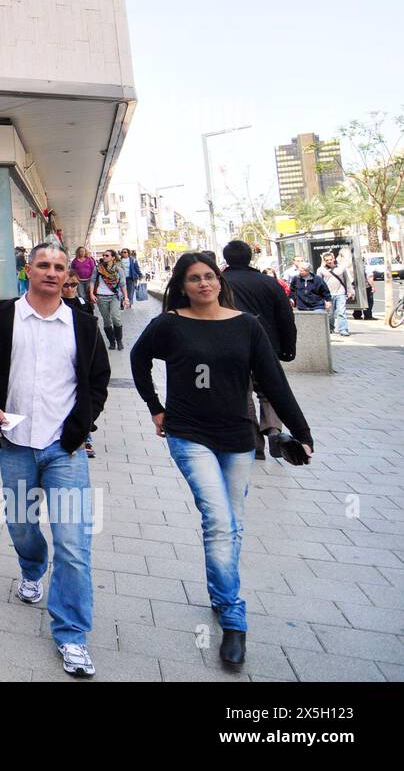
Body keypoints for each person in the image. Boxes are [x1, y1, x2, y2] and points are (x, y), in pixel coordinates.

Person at [130, 252, 313, 669]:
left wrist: (302, 433)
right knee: (218, 519)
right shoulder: (169, 324)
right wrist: (155, 407)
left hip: (237, 437)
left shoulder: (247, 326)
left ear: (219, 280)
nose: (203, 284)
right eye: (193, 278)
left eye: (208, 276)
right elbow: (138, 361)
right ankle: (234, 619)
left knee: (233, 521)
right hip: (189, 435)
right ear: (182, 285)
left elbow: (274, 382)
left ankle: (219, 593)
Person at [0, 242, 111, 677]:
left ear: (68, 275)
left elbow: (99, 380)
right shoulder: (2, 317)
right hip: (15, 443)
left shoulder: (83, 324)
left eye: (59, 267)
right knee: (21, 525)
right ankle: (32, 567)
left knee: (73, 543)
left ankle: (71, 634)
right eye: (44, 265)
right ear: (28, 269)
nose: (51, 273)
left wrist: (81, 426)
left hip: (65, 450)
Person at [221, 240, 298, 461]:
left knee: (242, 393)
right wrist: (288, 348)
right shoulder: (269, 283)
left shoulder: (220, 283)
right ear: (250, 257)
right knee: (269, 391)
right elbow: (285, 318)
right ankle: (273, 429)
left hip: (232, 348)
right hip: (267, 346)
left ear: (226, 259)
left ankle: (254, 442)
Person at [63, 269, 98, 458]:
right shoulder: (57, 305)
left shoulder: (83, 303)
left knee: (83, 396)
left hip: (83, 358)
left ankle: (87, 438)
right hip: (66, 358)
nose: (70, 289)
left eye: (73, 285)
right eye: (66, 285)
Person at [91, 249, 130, 350]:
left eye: (107, 255)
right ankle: (112, 342)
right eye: (103, 255)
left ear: (113, 257)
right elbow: (92, 281)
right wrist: (91, 294)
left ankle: (119, 340)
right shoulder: (98, 269)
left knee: (116, 318)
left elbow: (123, 284)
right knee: (107, 320)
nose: (104, 257)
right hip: (101, 297)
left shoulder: (119, 270)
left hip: (114, 297)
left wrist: (126, 297)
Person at [317, 251, 354, 337]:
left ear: (334, 258)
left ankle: (343, 329)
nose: (329, 261)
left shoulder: (341, 268)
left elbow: (347, 280)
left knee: (341, 312)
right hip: (328, 294)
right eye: (327, 260)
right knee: (330, 313)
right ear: (324, 261)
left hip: (340, 293)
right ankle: (330, 328)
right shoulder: (321, 270)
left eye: (331, 259)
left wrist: (350, 291)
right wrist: (320, 295)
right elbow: (318, 283)